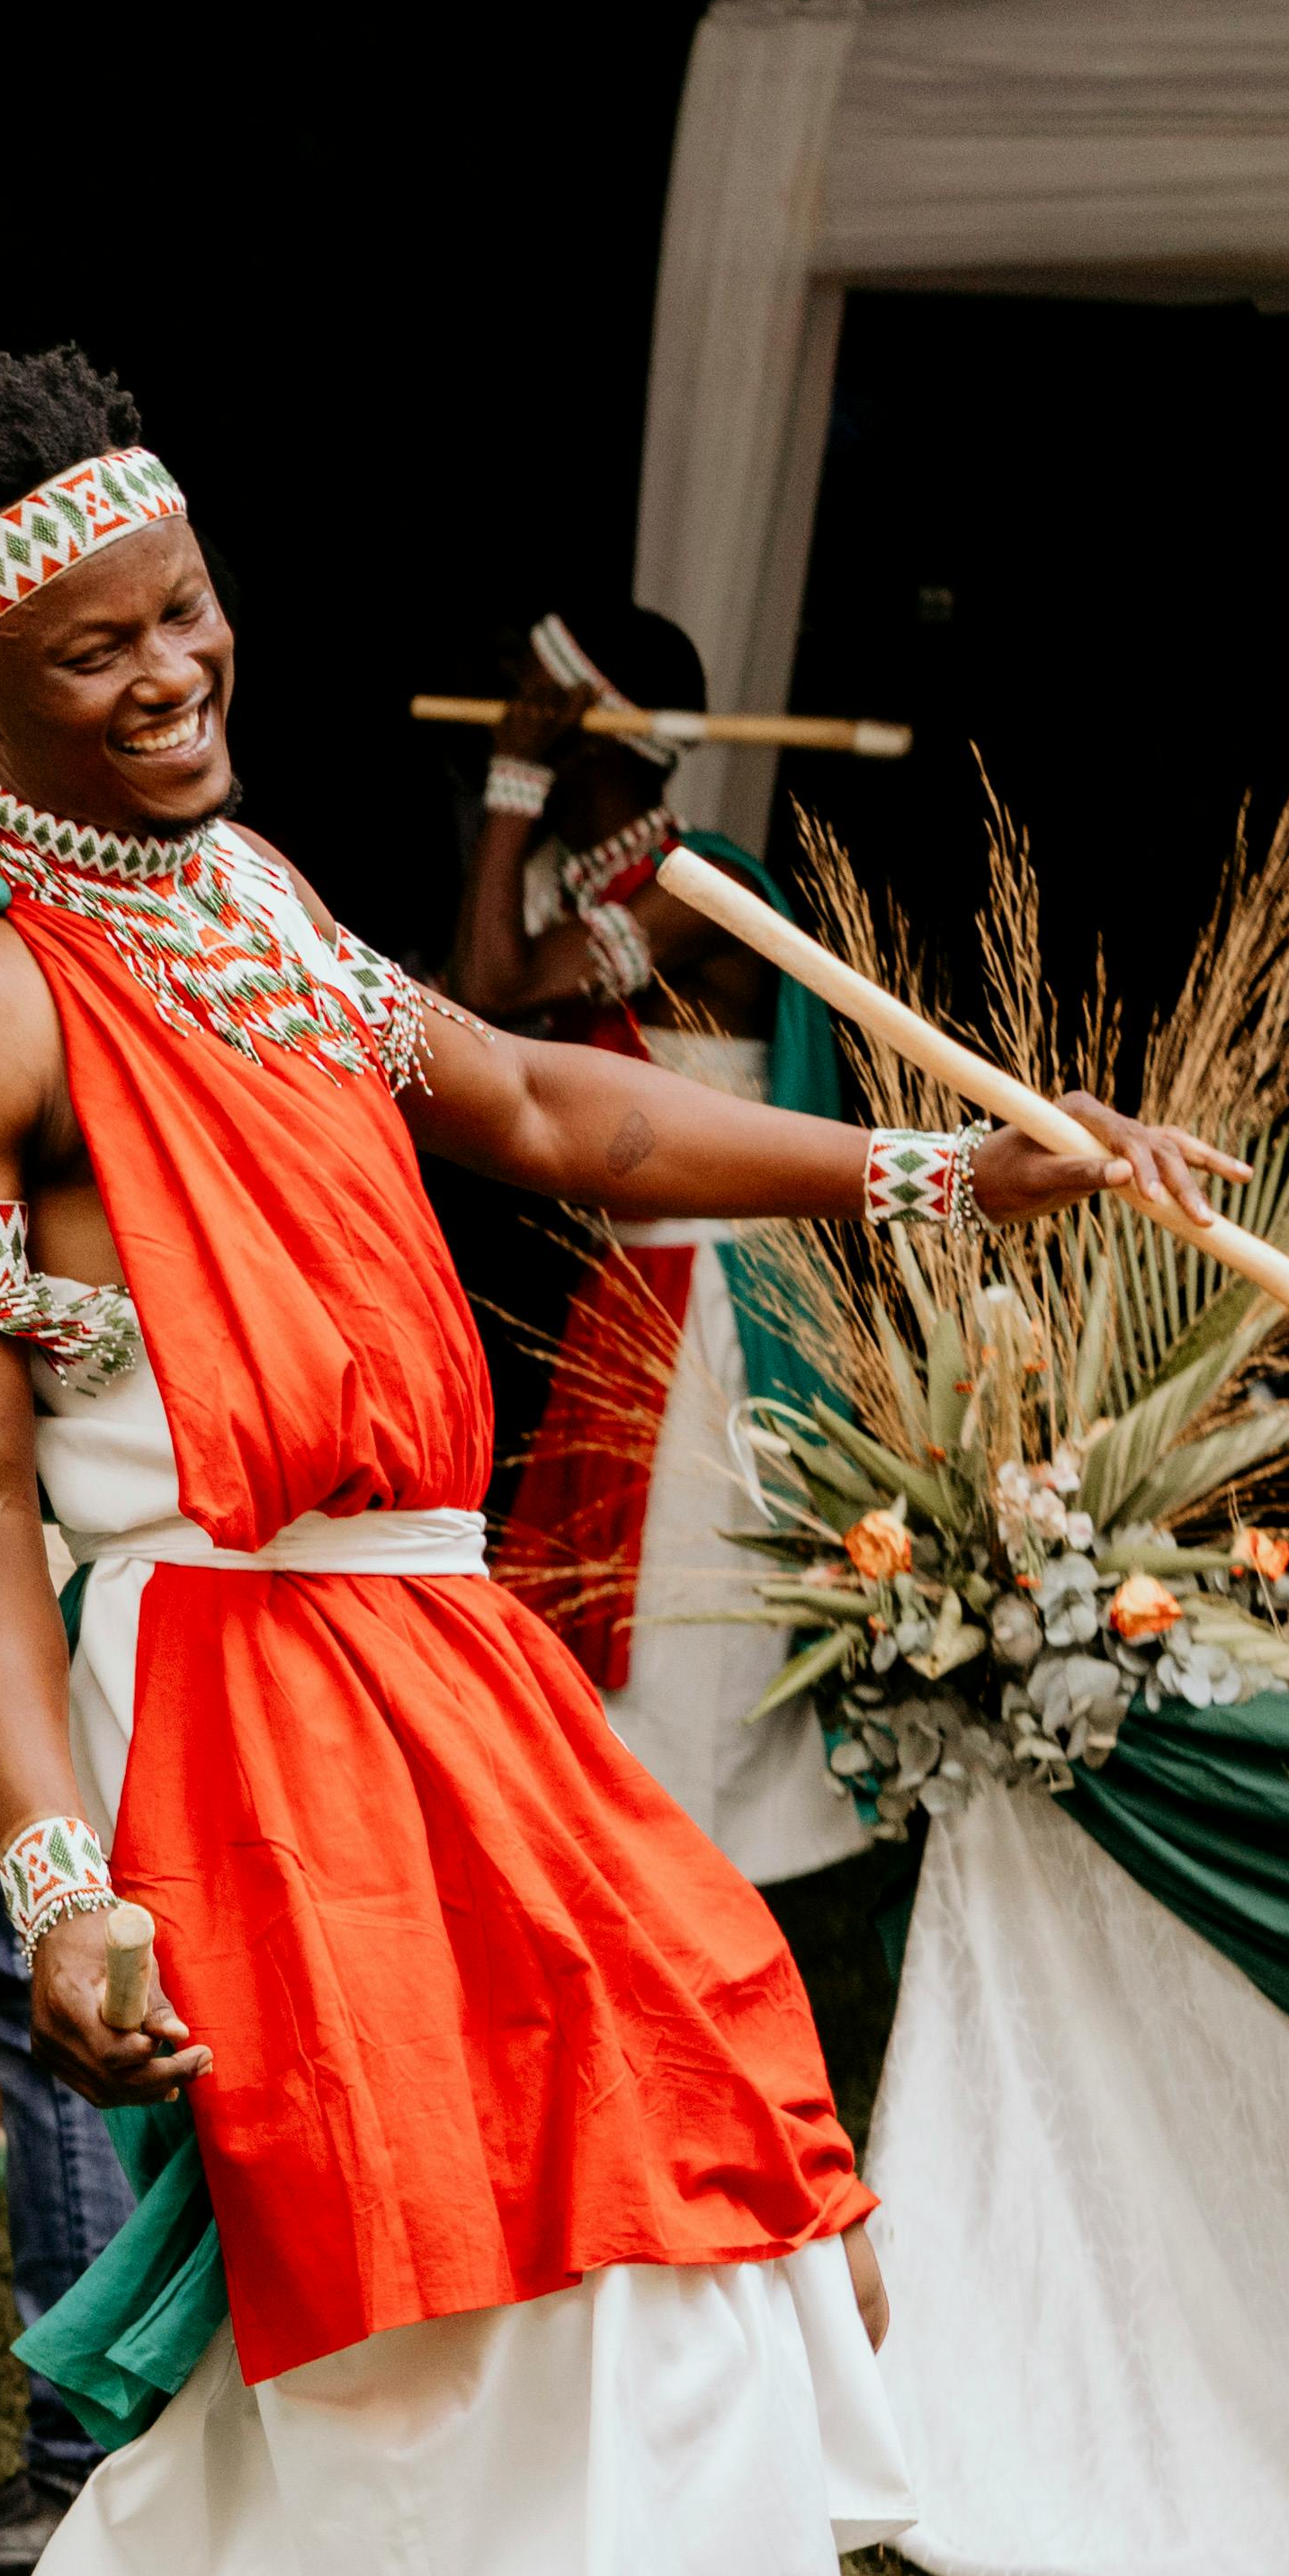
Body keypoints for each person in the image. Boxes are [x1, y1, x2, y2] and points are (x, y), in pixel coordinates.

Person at [0, 348, 1210, 2576]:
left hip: (445, 1663)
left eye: (190, 612)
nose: (179, 675)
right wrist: (57, 1876)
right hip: (246, 1692)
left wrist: (960, 1179)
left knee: (650, 2267)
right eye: (103, 652)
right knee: (633, 2312)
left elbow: (555, 1107)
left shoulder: (247, 893)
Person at [448, 616, 879, 1918]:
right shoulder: (602, 893)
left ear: (592, 724)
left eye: (534, 698)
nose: (507, 711)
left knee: (687, 1617)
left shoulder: (701, 889)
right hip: (633, 1297)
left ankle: (703, 1906)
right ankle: (633, 1892)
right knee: (607, 1618)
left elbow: (489, 988)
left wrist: (511, 784)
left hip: (720, 1311)